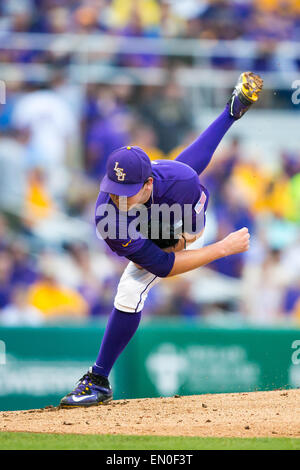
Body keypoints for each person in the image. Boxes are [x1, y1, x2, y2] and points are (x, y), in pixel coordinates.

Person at [60, 71, 263, 407]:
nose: (118, 198)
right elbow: (164, 266)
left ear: (147, 185)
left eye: (128, 191)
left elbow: (192, 204)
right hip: (154, 216)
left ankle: (97, 379)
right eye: (114, 190)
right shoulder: (107, 215)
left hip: (186, 214)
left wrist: (194, 238)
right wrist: (223, 249)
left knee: (183, 177)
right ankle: (97, 380)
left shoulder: (177, 184)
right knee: (129, 289)